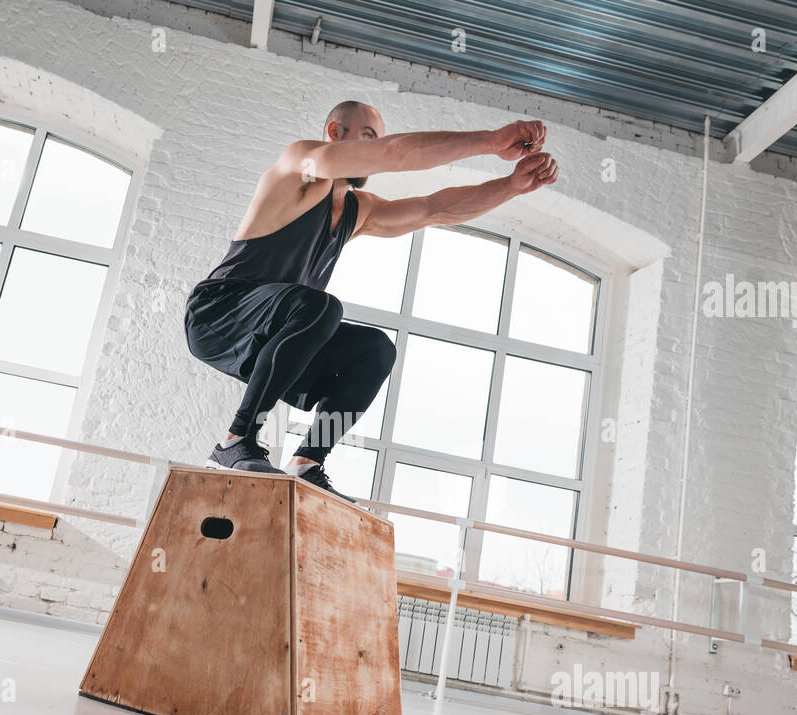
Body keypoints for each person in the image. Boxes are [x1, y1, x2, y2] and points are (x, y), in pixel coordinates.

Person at [183, 100, 560, 501]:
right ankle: (234, 441)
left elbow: (435, 209)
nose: (376, 148)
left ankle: (306, 464)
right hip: (219, 313)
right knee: (320, 306)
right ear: (334, 134)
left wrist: (510, 186)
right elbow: (394, 153)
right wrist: (490, 141)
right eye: (367, 137)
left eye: (377, 139)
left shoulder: (359, 211)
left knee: (375, 349)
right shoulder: (302, 165)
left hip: (274, 334)